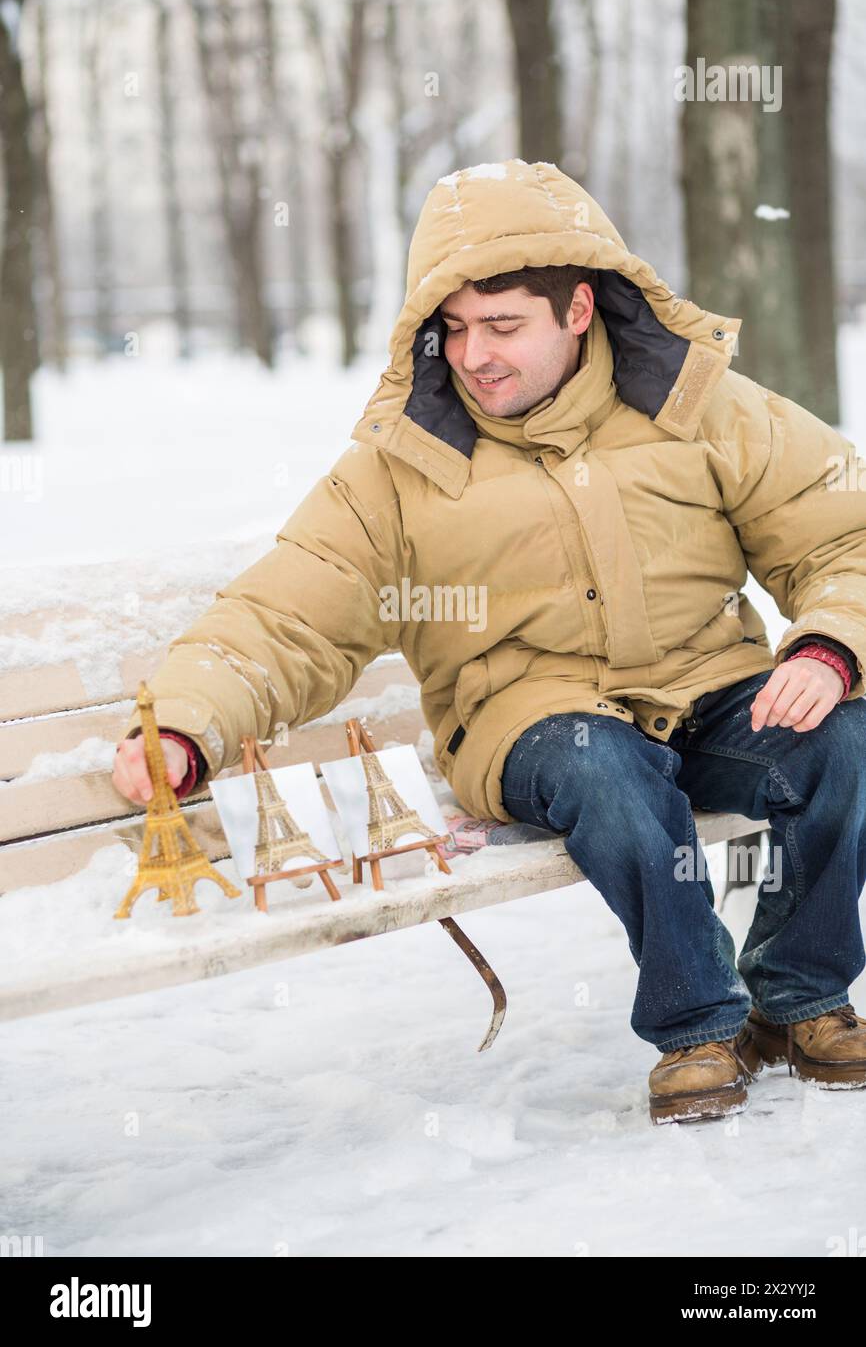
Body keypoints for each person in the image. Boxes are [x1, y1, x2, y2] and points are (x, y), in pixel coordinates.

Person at [113, 158, 866, 1125]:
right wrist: (186, 724)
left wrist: (828, 646)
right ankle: (698, 1028)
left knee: (844, 736)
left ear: (580, 310)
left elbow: (839, 528)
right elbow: (289, 614)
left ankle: (802, 998)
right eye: (455, 329)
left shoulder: (700, 407)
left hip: (705, 690)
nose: (474, 355)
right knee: (609, 773)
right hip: (536, 721)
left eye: (504, 325)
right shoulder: (404, 464)